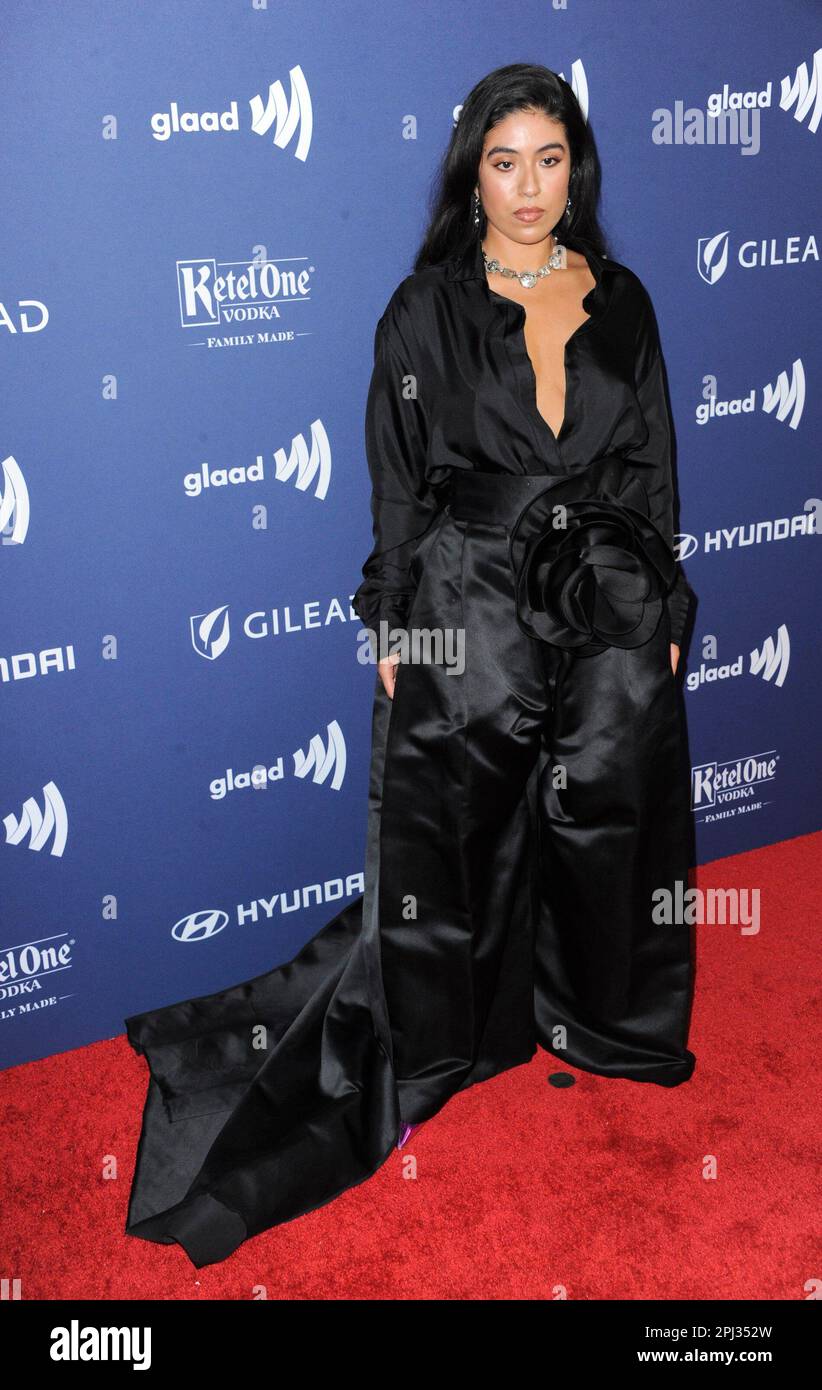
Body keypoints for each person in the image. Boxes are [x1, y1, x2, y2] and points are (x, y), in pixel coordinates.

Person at [123, 63, 697, 1269]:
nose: (530, 186)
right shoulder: (422, 310)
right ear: (471, 176)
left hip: (606, 596)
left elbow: (650, 465)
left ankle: (603, 1019)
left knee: (607, 814)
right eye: (505, 161)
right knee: (462, 833)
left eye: (550, 159)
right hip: (470, 596)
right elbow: (399, 482)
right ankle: (453, 1036)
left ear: (575, 169)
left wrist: (668, 603)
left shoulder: (628, 300)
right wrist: (393, 622)